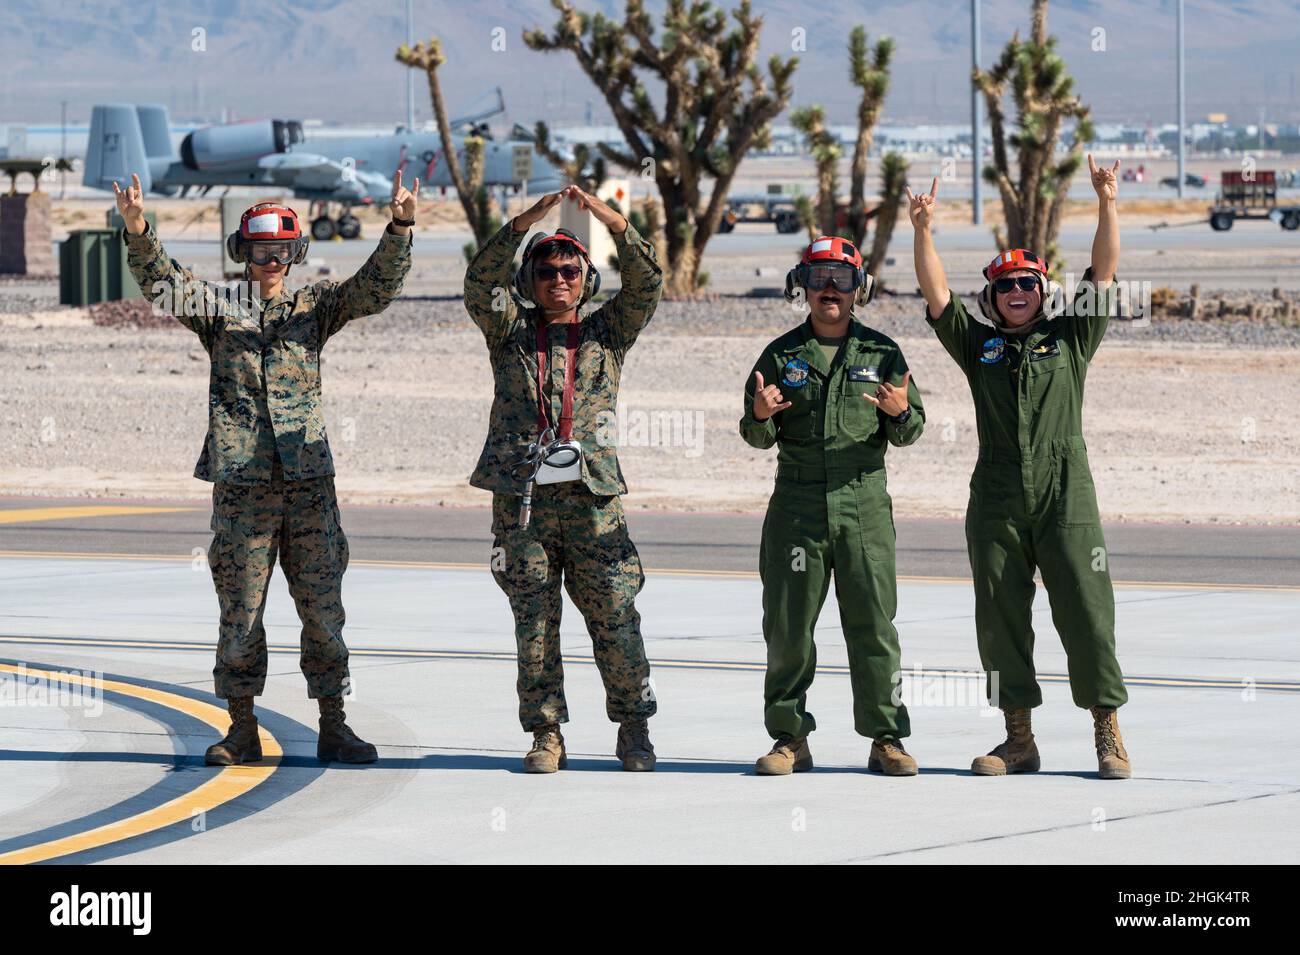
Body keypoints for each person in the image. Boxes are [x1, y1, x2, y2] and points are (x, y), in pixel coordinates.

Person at [114, 170, 416, 765]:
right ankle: (241, 729)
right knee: (241, 613)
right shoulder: (218, 309)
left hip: (308, 487)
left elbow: (375, 290)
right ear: (243, 254)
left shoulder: (317, 306)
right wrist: (138, 229)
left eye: (280, 250)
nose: (270, 261)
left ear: (295, 253)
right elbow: (163, 284)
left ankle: (335, 724)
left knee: (323, 611)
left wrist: (400, 226)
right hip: (243, 488)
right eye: (259, 251)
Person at [906, 155, 1132, 779]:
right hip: (998, 491)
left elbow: (1105, 270)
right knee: (1000, 614)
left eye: (1027, 284)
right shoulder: (978, 346)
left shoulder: (1072, 336)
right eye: (1005, 287)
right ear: (993, 296)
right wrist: (923, 229)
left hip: (1066, 490)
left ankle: (1107, 732)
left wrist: (1107, 200)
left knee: (1087, 609)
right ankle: (1019, 739)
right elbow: (936, 295)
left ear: (1043, 290)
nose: (1016, 294)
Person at [463, 184, 664, 773]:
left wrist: (613, 222)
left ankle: (633, 729)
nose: (558, 280)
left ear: (585, 279)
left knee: (616, 615)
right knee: (534, 620)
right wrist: (526, 221)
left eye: (570, 270)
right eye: (546, 271)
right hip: (524, 501)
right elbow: (480, 283)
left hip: (593, 499)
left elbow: (648, 283)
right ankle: (546, 731)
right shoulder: (509, 333)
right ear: (530, 282)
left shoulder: (608, 335)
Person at [740, 236, 925, 776]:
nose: (829, 289)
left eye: (841, 280)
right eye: (819, 277)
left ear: (857, 289)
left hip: (864, 503)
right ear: (803, 284)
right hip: (797, 505)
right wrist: (758, 415)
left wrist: (898, 413)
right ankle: (789, 737)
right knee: (790, 626)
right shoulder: (780, 355)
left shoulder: (883, 353)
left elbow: (912, 431)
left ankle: (886, 738)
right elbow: (757, 438)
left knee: (873, 626)